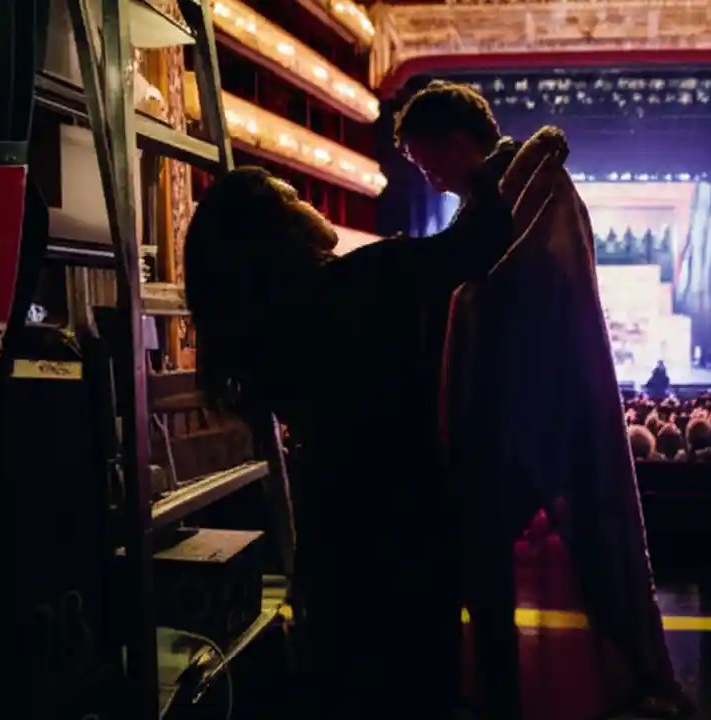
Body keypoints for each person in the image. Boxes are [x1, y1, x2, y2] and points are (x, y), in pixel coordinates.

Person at [396, 80, 691, 719]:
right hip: (504, 414)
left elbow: (510, 294)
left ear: (455, 140)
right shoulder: (498, 192)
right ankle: (505, 691)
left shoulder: (531, 189)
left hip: (527, 412)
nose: (427, 175)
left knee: (548, 559)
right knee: (487, 574)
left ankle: (562, 689)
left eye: (427, 158)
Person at [183, 162, 514, 719]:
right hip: (405, 525)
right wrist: (488, 166)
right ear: (279, 228)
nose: (311, 205)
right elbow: (479, 242)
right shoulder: (366, 277)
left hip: (334, 532)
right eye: (293, 198)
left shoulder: (264, 330)